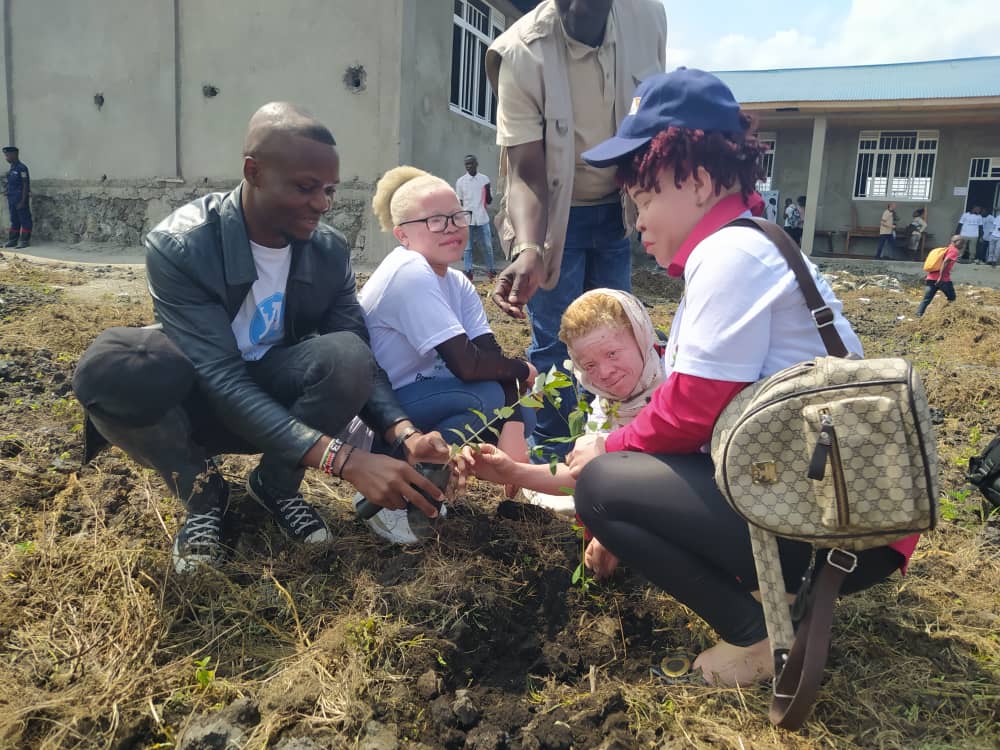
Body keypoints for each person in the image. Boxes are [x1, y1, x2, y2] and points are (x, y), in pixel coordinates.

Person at [564, 68, 919, 687]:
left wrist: (606, 449)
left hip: (839, 529)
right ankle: (773, 599)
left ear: (697, 180)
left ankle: (760, 639)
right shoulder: (755, 243)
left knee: (601, 483)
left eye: (645, 199)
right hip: (853, 509)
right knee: (625, 477)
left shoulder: (726, 255)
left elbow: (690, 412)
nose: (637, 221)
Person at [71, 103, 452, 575]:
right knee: (119, 367)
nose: (323, 203)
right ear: (253, 171)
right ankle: (203, 496)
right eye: (305, 187)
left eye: (329, 190)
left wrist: (405, 433)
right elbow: (221, 377)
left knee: (347, 356)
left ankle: (276, 485)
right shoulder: (182, 245)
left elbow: (361, 355)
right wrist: (345, 460)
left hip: (274, 390)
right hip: (197, 399)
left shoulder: (327, 251)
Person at [484, 0, 667, 473]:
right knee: (553, 345)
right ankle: (551, 459)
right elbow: (526, 171)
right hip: (552, 220)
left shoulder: (647, 18)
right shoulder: (521, 53)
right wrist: (529, 249)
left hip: (619, 210)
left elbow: (656, 124)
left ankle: (616, 441)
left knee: (621, 338)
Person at [358, 166, 536, 542]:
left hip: (426, 402)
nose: (452, 227)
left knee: (522, 409)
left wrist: (516, 424)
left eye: (458, 216)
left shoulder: (456, 282)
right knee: (487, 396)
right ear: (402, 234)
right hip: (379, 419)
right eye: (435, 221)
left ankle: (432, 484)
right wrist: (522, 369)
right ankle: (391, 499)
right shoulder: (408, 270)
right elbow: (468, 365)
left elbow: (489, 355)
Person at [464, 288, 665, 526]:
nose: (605, 373)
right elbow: (585, 474)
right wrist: (511, 471)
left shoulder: (679, 381)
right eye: (589, 365)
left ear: (642, 335)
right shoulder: (607, 404)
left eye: (612, 353)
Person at [454, 155, 496, 281]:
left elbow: (489, 201)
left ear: (476, 164)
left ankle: (491, 271)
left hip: (482, 218)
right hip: (468, 219)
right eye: (467, 164)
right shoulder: (460, 182)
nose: (469, 166)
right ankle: (468, 272)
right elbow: (460, 202)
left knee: (488, 246)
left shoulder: (484, 179)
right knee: (468, 248)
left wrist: (488, 189)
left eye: (471, 164)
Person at [916, 236, 964, 316]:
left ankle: (918, 315)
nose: (963, 245)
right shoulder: (954, 251)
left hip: (931, 278)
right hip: (943, 280)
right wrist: (940, 278)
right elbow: (945, 262)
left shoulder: (946, 249)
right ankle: (945, 314)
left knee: (926, 299)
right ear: (955, 241)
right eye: (961, 243)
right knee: (952, 298)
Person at [3, 146, 32, 248]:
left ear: (14, 154)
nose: (6, 158)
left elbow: (25, 185)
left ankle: (24, 240)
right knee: (14, 220)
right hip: (12, 199)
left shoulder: (22, 168)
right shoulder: (12, 169)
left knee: (24, 219)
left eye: (7, 155)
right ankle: (13, 240)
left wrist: (23, 201)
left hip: (20, 199)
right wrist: (7, 191)